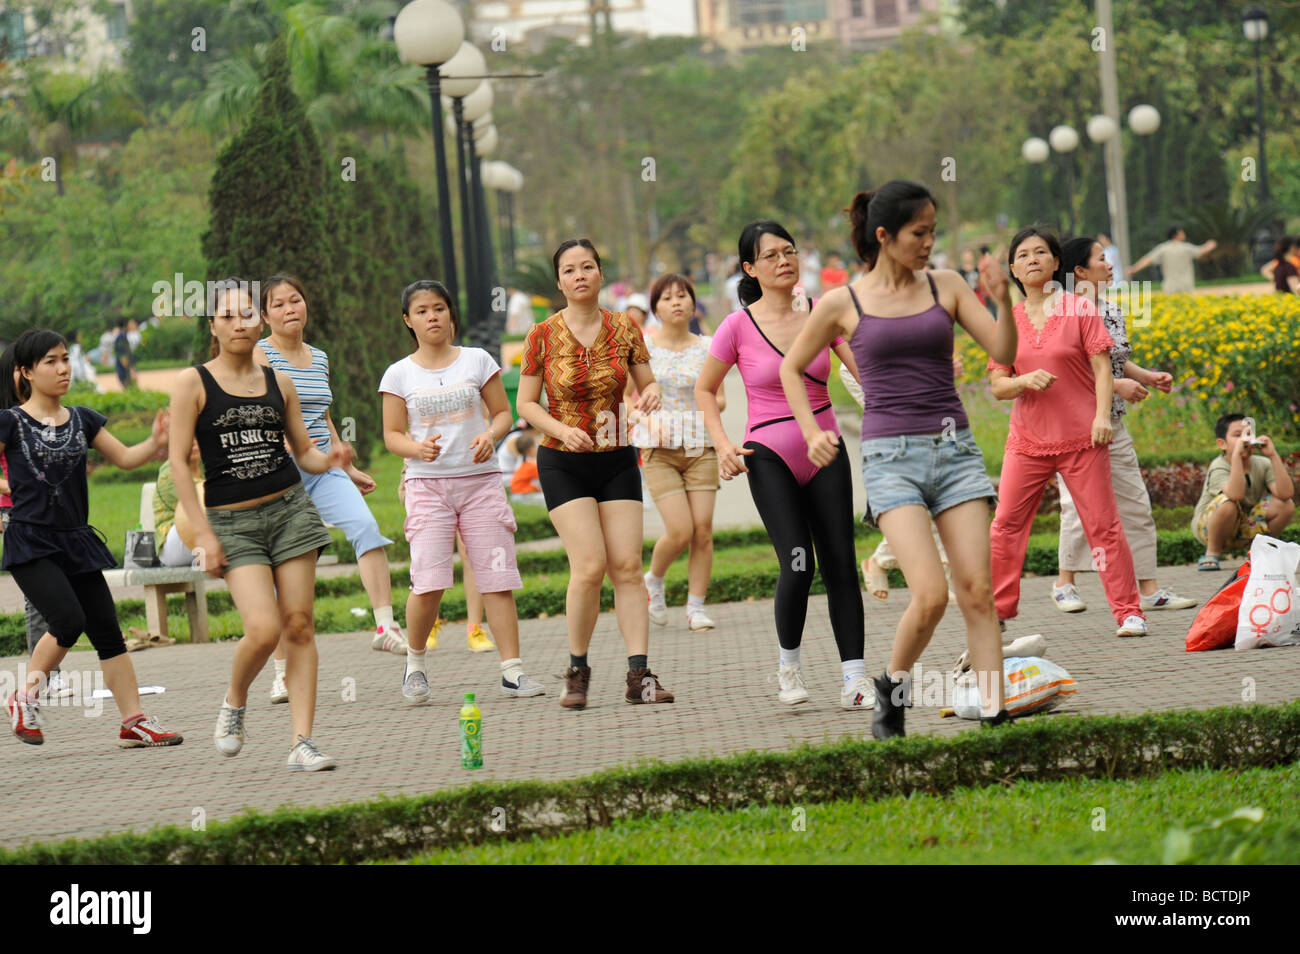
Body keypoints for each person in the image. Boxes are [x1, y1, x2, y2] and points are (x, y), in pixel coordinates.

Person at [780, 181, 1016, 737]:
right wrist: (812, 429)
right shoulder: (845, 302)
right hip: (891, 459)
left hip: (954, 451)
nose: (929, 242)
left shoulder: (948, 285)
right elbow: (792, 367)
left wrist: (1002, 299)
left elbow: (1003, 353)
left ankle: (995, 716)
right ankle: (893, 684)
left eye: (933, 231)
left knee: (977, 593)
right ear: (884, 236)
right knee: (930, 595)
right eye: (919, 232)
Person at [170, 277, 350, 771]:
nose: (239, 324)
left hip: (290, 511)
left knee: (299, 624)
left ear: (258, 321)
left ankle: (301, 742)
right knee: (264, 628)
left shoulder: (280, 380)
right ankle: (235, 700)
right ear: (213, 326)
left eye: (246, 314)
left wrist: (331, 459)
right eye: (227, 316)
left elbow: (304, 452)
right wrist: (204, 534)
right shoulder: (193, 383)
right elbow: (180, 464)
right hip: (232, 522)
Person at [697, 221, 870, 710]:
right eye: (770, 255)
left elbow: (864, 367)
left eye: (790, 251)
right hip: (769, 453)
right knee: (798, 561)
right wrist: (722, 445)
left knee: (840, 561)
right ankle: (789, 667)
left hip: (826, 446)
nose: (784, 261)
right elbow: (704, 390)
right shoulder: (737, 326)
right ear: (750, 267)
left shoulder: (823, 312)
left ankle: (854, 679)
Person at [1, 329, 182, 748]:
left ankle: (133, 720)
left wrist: (155, 442)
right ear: (26, 372)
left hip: (76, 540)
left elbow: (124, 458)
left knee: (107, 632)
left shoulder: (82, 418)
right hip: (31, 541)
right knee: (68, 621)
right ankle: (23, 698)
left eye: (65, 359)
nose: (63, 368)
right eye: (50, 361)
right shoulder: (9, 422)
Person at [517, 239, 674, 710]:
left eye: (588, 266)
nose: (580, 274)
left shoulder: (625, 327)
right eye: (570, 269)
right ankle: (578, 671)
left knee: (626, 566)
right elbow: (525, 403)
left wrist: (651, 396)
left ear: (601, 275)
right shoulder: (541, 335)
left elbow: (648, 383)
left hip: (617, 456)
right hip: (562, 460)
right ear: (559, 281)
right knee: (588, 566)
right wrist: (562, 430)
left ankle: (639, 676)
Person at [380, 279, 543, 703]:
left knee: (497, 578)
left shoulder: (476, 360)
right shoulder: (399, 373)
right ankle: (415, 664)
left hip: (481, 484)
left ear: (451, 314)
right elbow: (391, 435)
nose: (432, 316)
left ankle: (513, 671)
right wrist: (416, 449)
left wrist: (491, 435)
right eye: (422, 311)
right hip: (427, 487)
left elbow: (504, 413)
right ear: (408, 321)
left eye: (439, 308)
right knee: (429, 583)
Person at [988, 227, 1146, 638]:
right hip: (1027, 442)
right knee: (1005, 524)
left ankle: (1129, 612)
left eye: (1042, 252)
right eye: (1023, 255)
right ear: (1013, 269)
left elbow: (1101, 366)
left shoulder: (1079, 308)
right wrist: (1023, 382)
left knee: (1103, 526)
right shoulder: (1009, 321)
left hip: (1083, 437)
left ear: (1057, 263)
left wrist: (1101, 418)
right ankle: (998, 611)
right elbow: (999, 385)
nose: (1033, 259)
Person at [254, 275, 403, 708]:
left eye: (295, 300)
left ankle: (384, 626)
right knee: (285, 569)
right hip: (279, 470)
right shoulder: (260, 355)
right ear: (265, 316)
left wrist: (347, 464)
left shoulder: (318, 358)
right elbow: (262, 411)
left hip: (323, 466)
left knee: (366, 526)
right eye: (278, 304)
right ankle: (281, 674)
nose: (289, 309)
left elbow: (322, 415)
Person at [1050, 237, 1198, 614]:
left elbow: (1114, 360)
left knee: (1135, 505)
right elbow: (1069, 371)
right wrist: (1117, 385)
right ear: (1080, 272)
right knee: (1079, 507)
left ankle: (1148, 588)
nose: (1110, 264)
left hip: (1112, 423)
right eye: (1102, 259)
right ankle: (1064, 583)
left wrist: (1146, 376)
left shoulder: (1112, 310)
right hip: (1075, 425)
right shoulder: (1062, 313)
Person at [632, 273, 723, 633]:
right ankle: (653, 578)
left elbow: (721, 397)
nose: (677, 302)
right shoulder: (643, 349)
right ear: (655, 308)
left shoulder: (708, 347)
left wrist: (703, 409)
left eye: (683, 295)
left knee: (702, 530)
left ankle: (696, 607)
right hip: (658, 450)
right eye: (668, 297)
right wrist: (646, 419)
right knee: (680, 529)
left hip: (701, 445)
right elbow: (624, 399)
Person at [1192, 414, 1295, 570]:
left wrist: (1273, 456)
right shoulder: (1219, 465)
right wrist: (1236, 458)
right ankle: (1212, 552)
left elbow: (1286, 494)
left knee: (1286, 504)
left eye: (1248, 434)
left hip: (1246, 524)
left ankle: (1262, 550)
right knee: (1227, 503)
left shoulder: (1262, 463)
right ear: (1222, 444)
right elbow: (1235, 495)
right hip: (1209, 528)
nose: (1245, 439)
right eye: (1237, 435)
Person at [153, 439, 204, 568]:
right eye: (188, 437)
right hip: (172, 544)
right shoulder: (170, 471)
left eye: (198, 438)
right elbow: (203, 502)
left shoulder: (207, 466)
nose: (193, 443)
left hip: (200, 535)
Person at [1130, 227, 1217, 294]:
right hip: (1186, 286)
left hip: (1169, 287)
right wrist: (1211, 244)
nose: (1184, 234)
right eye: (1182, 232)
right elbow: (1202, 251)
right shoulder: (1186, 247)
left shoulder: (1163, 248)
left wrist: (1134, 269)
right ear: (1177, 234)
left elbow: (1148, 260)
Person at [509, 433, 544, 506]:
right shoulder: (530, 464)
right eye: (535, 445)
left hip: (517, 494)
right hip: (521, 495)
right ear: (530, 449)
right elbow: (544, 477)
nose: (537, 447)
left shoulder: (522, 460)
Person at [113, 321, 135, 390]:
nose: (134, 325)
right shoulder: (121, 337)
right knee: (129, 389)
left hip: (125, 369)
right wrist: (131, 370)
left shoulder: (124, 336)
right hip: (124, 370)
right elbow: (122, 356)